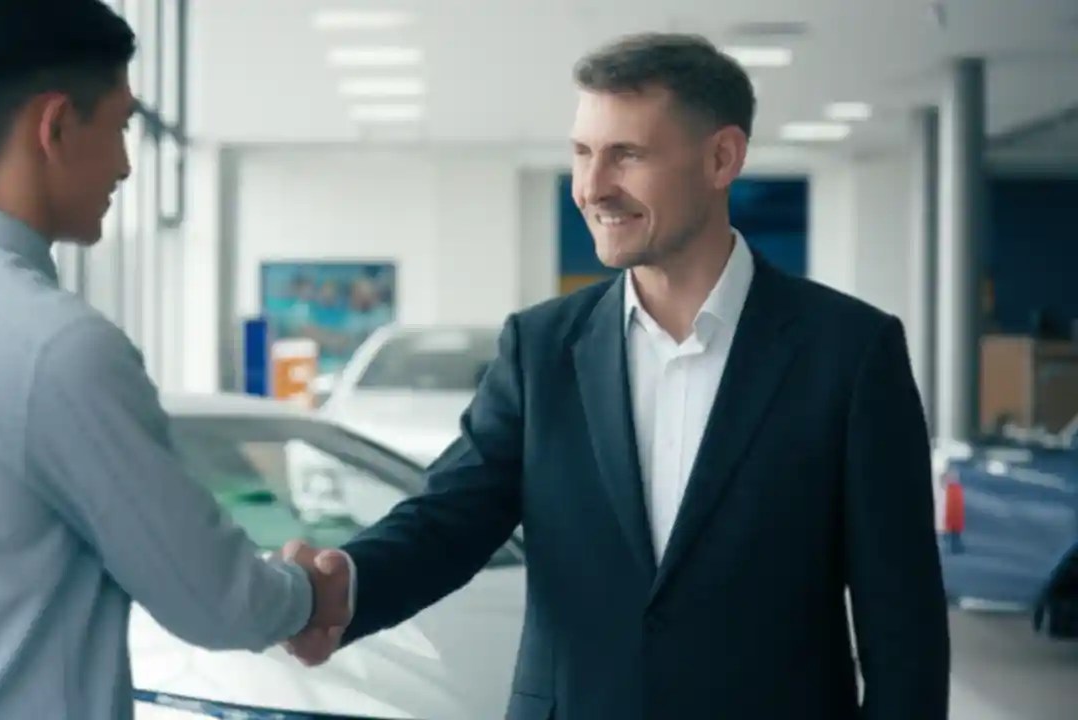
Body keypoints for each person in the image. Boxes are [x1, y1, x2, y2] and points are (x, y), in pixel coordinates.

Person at [283, 33, 950, 718]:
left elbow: (904, 625)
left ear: (722, 157)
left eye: (626, 154)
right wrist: (346, 584)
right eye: (581, 152)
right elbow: (449, 520)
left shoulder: (849, 352)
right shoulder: (540, 348)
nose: (591, 187)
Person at [0, 1, 348, 717]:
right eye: (120, 126)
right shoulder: (59, 349)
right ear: (55, 126)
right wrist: (309, 590)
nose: (124, 163)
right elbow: (217, 601)